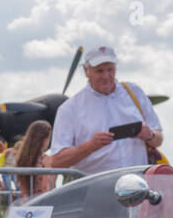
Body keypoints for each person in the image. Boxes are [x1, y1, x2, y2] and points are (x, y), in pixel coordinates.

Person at [45, 46, 162, 174]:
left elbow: (159, 139)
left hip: (138, 184)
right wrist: (91, 146)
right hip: (95, 188)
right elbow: (57, 161)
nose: (106, 76)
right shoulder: (69, 109)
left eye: (110, 70)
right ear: (86, 71)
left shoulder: (135, 92)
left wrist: (149, 135)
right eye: (99, 71)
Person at [11, 120, 55, 200]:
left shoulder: (22, 159)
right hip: (42, 202)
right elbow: (45, 187)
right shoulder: (46, 159)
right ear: (45, 139)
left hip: (26, 202)